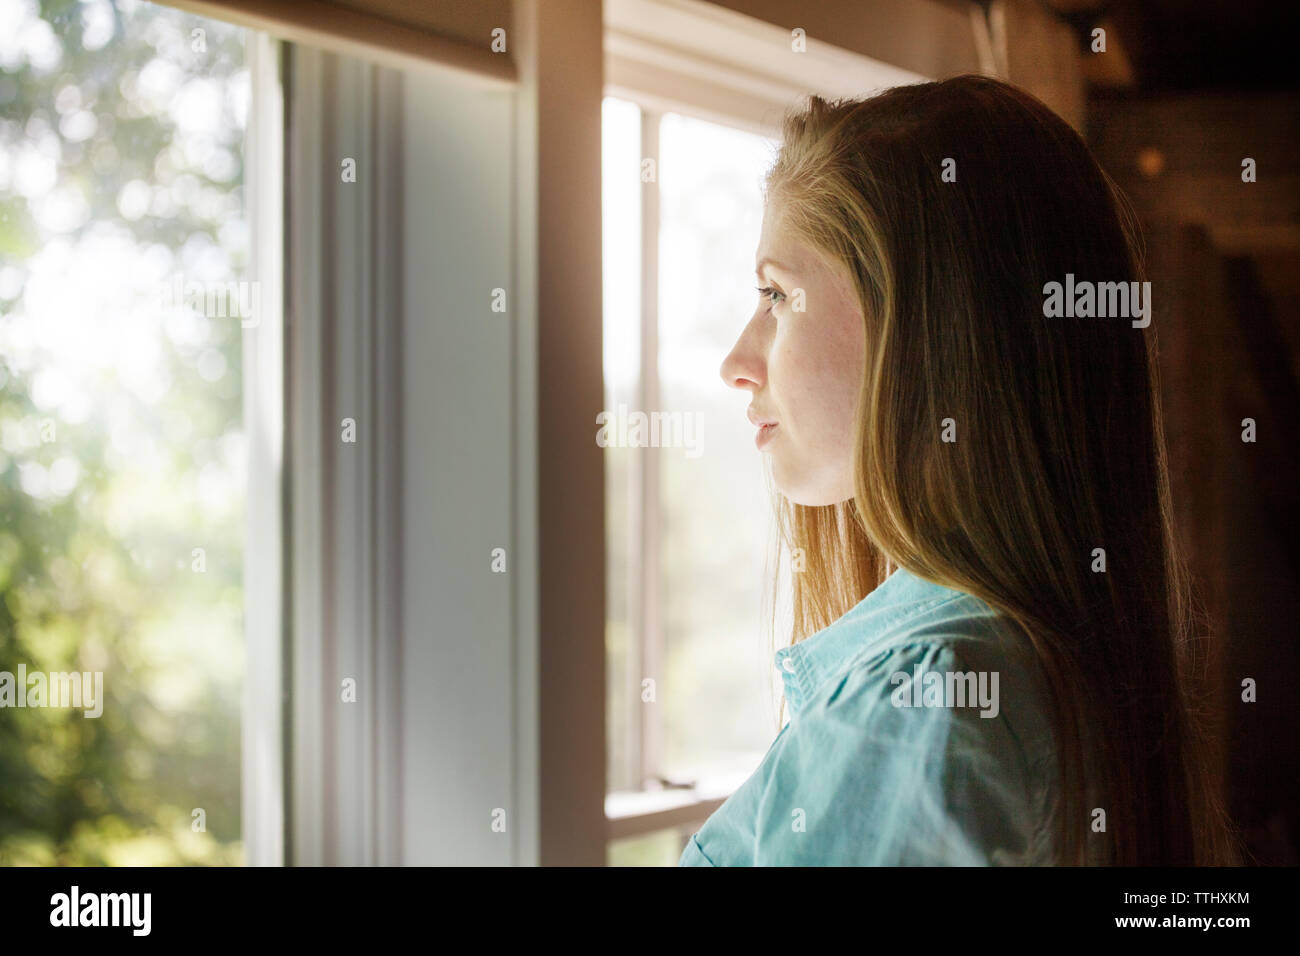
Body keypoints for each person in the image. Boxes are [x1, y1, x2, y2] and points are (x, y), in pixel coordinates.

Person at [680, 74, 1240, 866]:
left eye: (777, 292)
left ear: (924, 326)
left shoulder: (917, 703)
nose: (738, 361)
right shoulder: (1047, 670)